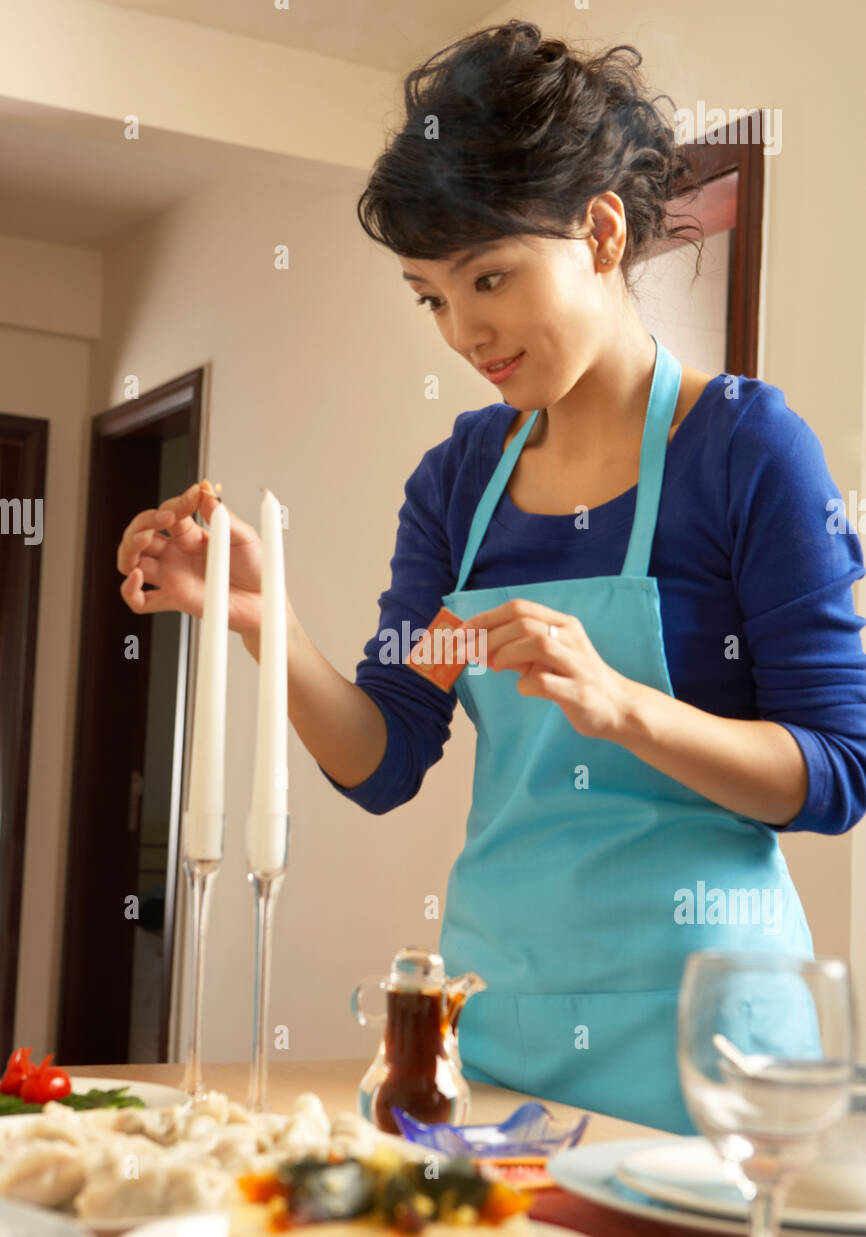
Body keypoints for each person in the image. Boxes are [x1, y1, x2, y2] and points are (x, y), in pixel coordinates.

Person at [118, 23, 866, 1133]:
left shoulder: (745, 452)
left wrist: (626, 708)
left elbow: (834, 771)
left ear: (601, 232)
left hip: (708, 1057)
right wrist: (257, 618)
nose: (464, 330)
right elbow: (384, 754)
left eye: (489, 277)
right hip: (495, 1036)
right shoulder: (459, 479)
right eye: (430, 296)